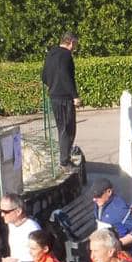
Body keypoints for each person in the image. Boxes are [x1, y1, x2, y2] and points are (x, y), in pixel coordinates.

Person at [41, 32, 80, 169]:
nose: (75, 47)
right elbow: (66, 76)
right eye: (75, 44)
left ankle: (65, 157)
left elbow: (44, 76)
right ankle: (65, 161)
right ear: (71, 42)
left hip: (54, 96)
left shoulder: (51, 53)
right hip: (64, 97)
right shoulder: (66, 55)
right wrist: (74, 95)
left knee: (61, 127)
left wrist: (52, 85)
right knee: (68, 129)